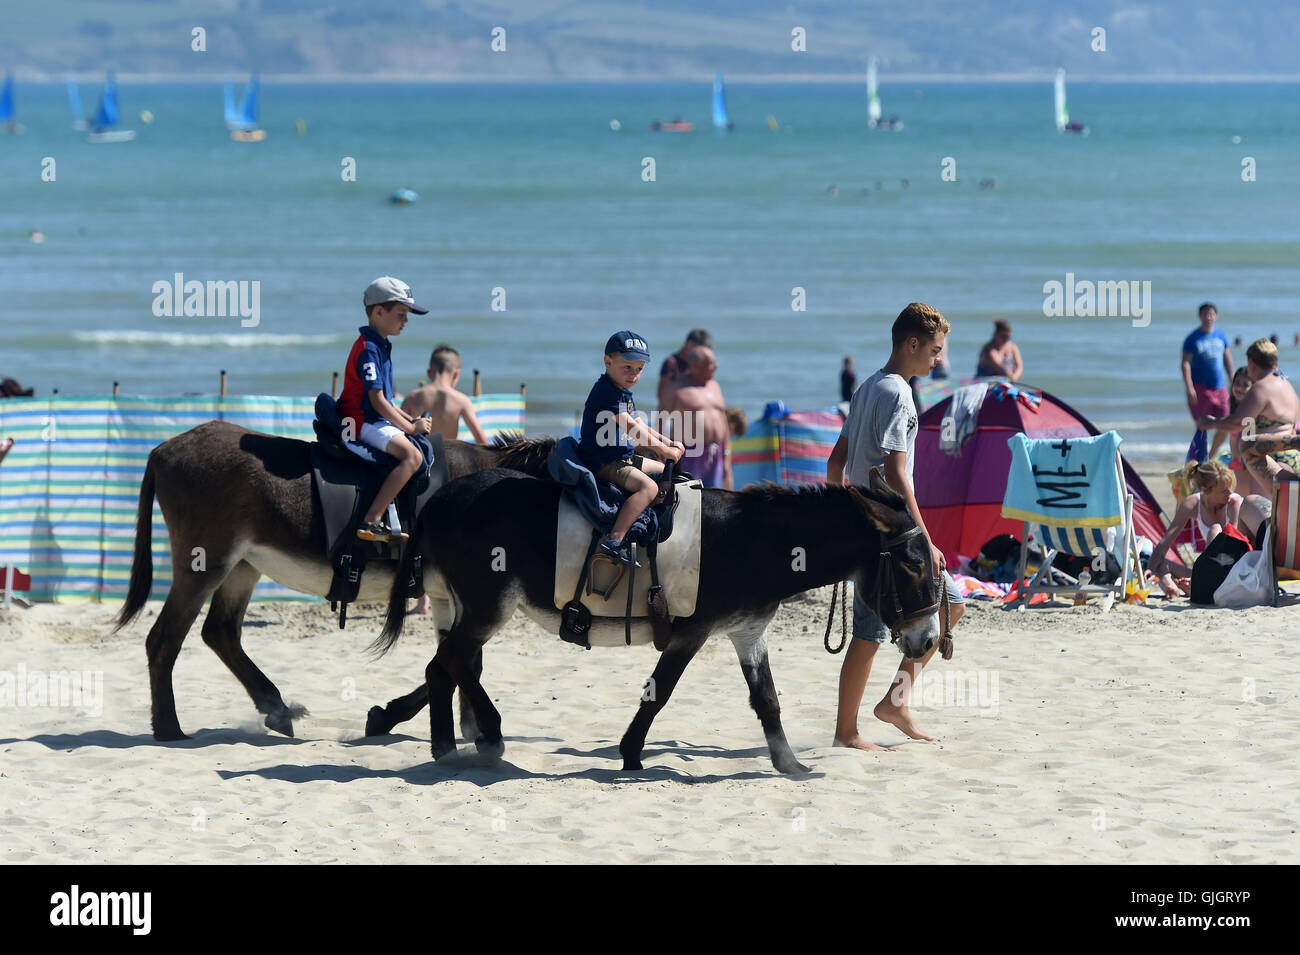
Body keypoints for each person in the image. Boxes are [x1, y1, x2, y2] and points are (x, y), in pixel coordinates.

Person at [825, 303, 966, 750]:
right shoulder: (900, 395)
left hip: (864, 528)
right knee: (944, 607)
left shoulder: (867, 387)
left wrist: (842, 518)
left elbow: (835, 463)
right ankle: (858, 725)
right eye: (935, 350)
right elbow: (897, 471)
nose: (939, 359)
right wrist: (926, 539)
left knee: (884, 628)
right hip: (892, 535)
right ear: (912, 344)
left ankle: (888, 707)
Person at [337, 276, 434, 542]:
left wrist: (409, 418)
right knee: (412, 457)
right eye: (401, 314)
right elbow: (378, 401)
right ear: (379, 312)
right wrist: (410, 427)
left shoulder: (380, 345)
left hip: (374, 416)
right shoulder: (369, 349)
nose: (406, 321)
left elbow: (388, 401)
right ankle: (372, 520)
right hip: (361, 420)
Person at [579, 331, 684, 565]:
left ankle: (645, 518)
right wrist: (664, 450)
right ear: (608, 362)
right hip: (603, 461)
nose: (634, 375)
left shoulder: (622, 392)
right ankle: (615, 539)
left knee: (665, 472)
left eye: (639, 369)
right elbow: (631, 429)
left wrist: (666, 443)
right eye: (627, 367)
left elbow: (639, 423)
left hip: (621, 456)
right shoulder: (606, 391)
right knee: (649, 487)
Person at [1147, 460, 1269, 599]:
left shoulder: (1234, 502)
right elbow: (1166, 541)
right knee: (1161, 561)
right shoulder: (1192, 503)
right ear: (1204, 490)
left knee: (1215, 529)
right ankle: (1171, 588)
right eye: (1224, 490)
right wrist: (1150, 568)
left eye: (1230, 487)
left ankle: (1196, 584)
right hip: (1213, 567)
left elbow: (1233, 547)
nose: (1230, 492)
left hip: (1238, 566)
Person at [1200, 339, 1299, 496]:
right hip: (1291, 455)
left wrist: (1211, 422)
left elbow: (1237, 422)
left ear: (1252, 363)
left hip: (1269, 457)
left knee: (1257, 506)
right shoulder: (1286, 384)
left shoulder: (1262, 387)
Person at [663, 346, 732, 488]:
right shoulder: (677, 388)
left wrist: (726, 456)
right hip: (690, 453)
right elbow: (662, 421)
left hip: (715, 452)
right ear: (695, 366)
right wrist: (664, 457)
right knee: (690, 496)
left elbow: (723, 421)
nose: (716, 367)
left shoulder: (714, 386)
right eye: (710, 363)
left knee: (715, 499)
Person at [400, 345, 488, 444]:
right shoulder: (461, 400)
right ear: (456, 374)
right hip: (448, 457)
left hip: (422, 456)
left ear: (429, 373)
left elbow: (399, 432)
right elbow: (481, 440)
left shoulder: (412, 398)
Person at [1181, 302, 1233, 463]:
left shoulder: (1221, 336)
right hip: (1201, 389)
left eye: (1211, 314)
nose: (1208, 317)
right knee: (1202, 426)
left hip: (1220, 388)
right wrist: (1189, 387)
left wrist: (1233, 379)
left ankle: (1210, 456)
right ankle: (1199, 458)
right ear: (1200, 317)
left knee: (1226, 425)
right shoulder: (1192, 339)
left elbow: (1227, 359)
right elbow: (1185, 363)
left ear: (1216, 316)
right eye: (1205, 314)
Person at [657, 329, 713, 409]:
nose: (702, 355)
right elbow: (662, 393)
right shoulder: (671, 363)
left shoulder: (699, 365)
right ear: (689, 344)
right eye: (700, 350)